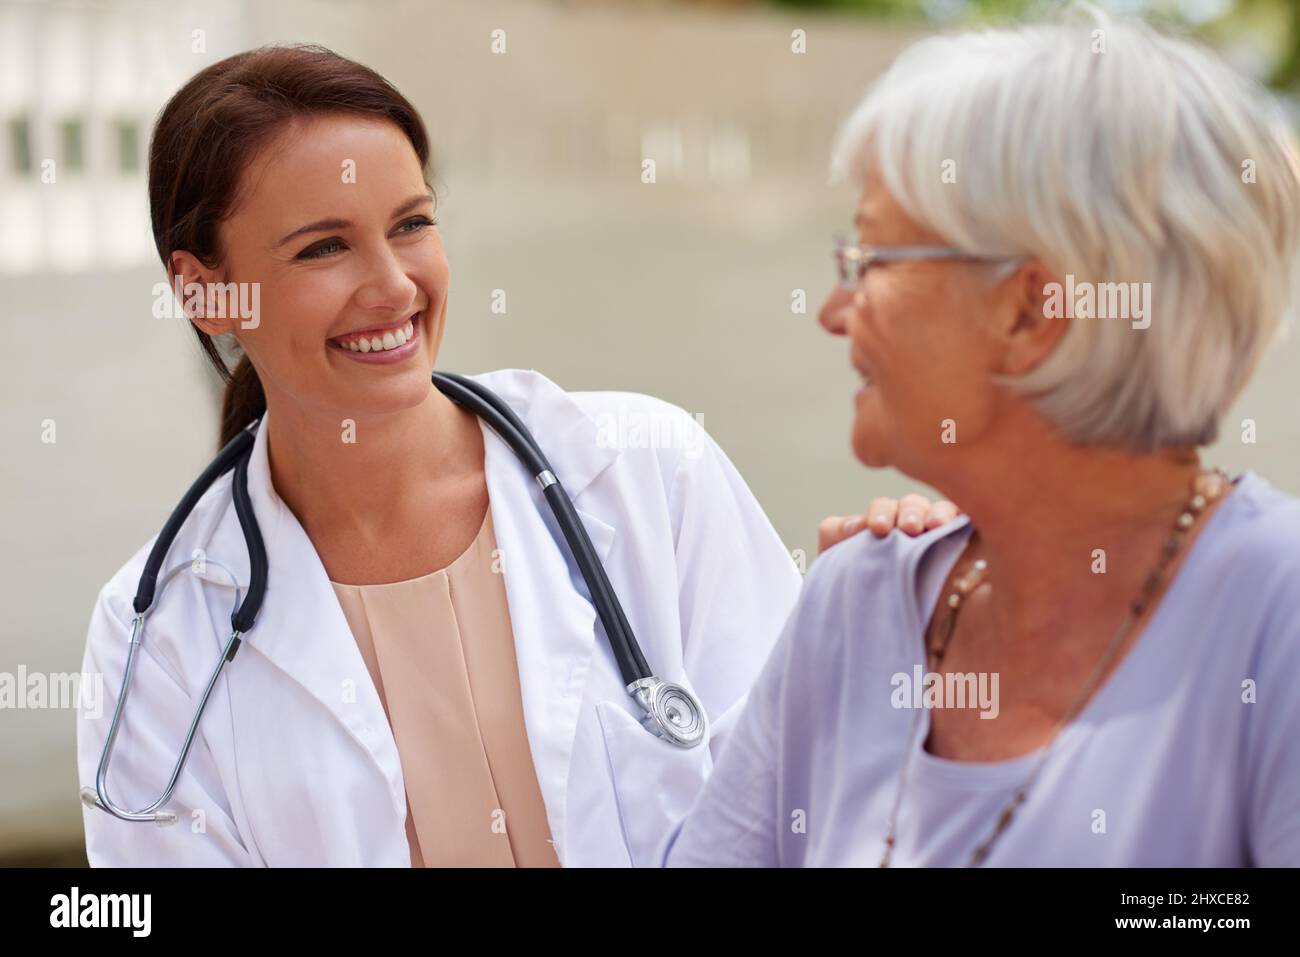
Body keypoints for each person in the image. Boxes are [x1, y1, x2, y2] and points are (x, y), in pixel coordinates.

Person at [77, 44, 950, 867]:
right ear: (203, 290)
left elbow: (817, 812)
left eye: (411, 223)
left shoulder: (652, 471)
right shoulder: (157, 635)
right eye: (324, 246)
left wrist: (880, 639)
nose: (394, 285)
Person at [665, 9, 1300, 867]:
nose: (833, 310)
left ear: (1031, 310)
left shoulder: (1275, 618)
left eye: (872, 261)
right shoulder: (854, 601)